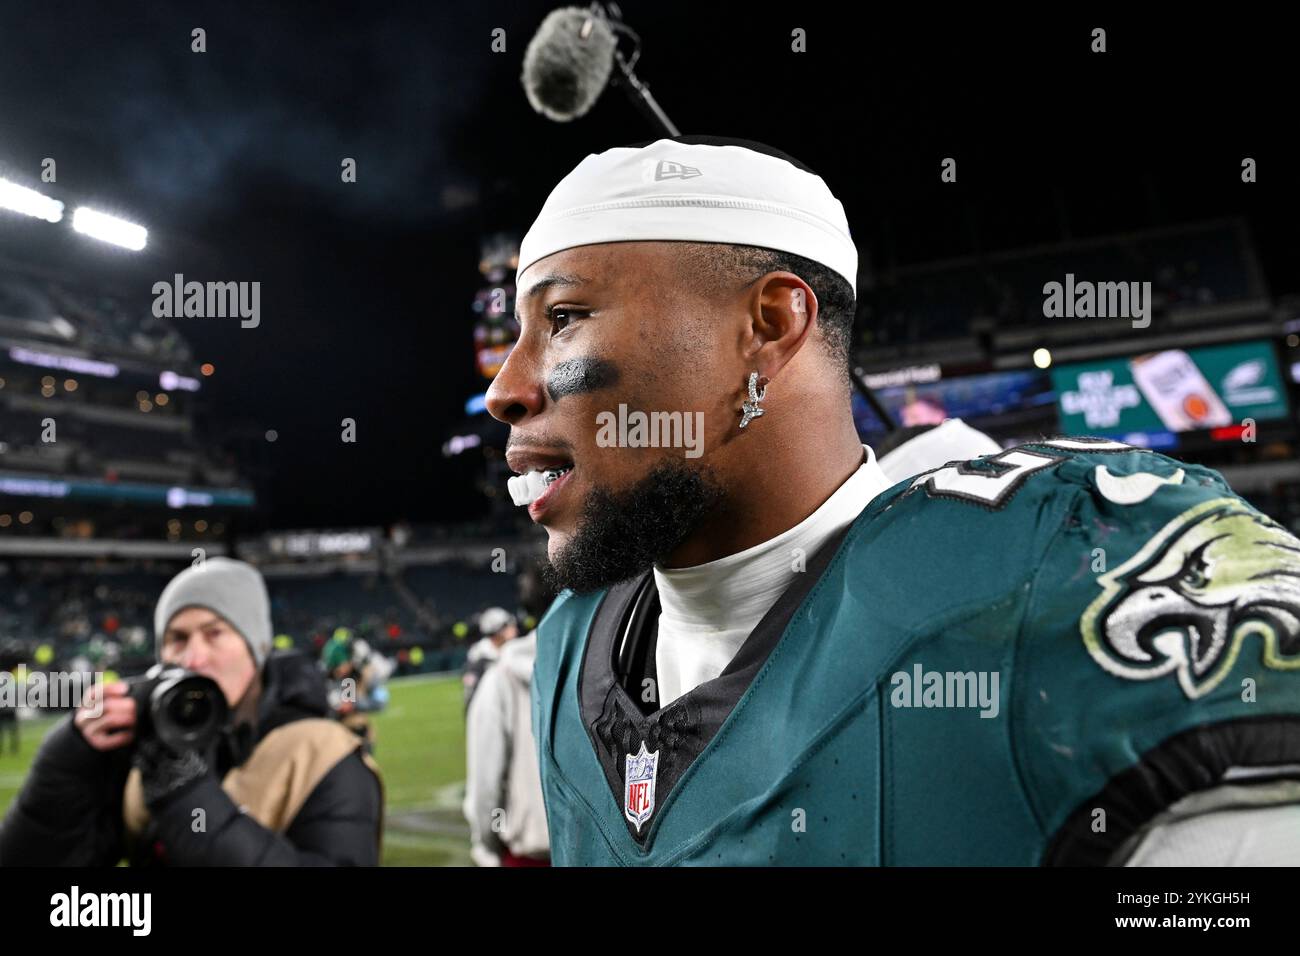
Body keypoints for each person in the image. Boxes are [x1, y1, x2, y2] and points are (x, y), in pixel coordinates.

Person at [485, 134, 1300, 865]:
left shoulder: (1043, 585)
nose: (505, 388)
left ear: (769, 324)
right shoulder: (569, 645)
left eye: (563, 318)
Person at [0, 557, 384, 866]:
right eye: (177, 639)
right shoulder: (147, 749)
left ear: (258, 647)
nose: (194, 657)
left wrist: (187, 800)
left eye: (215, 633)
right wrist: (66, 768)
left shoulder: (323, 754)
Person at [462, 564, 556, 866]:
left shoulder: (501, 675)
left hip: (532, 852)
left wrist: (488, 841)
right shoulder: (619, 660)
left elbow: (485, 785)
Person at [462, 607, 517, 714]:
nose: (514, 629)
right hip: (489, 710)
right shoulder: (480, 653)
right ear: (498, 629)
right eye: (508, 626)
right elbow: (471, 688)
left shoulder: (512, 648)